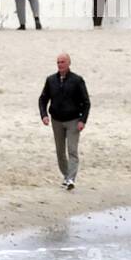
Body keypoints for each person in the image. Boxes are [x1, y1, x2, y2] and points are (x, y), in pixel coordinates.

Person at [39, 52, 91, 190]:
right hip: (56, 120)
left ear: (69, 63)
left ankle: (71, 179)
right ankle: (67, 175)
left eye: (62, 62)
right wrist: (44, 115)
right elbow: (43, 99)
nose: (60, 65)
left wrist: (82, 120)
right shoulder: (51, 80)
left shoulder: (77, 80)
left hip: (73, 120)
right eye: (58, 62)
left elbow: (86, 102)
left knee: (72, 150)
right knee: (60, 152)